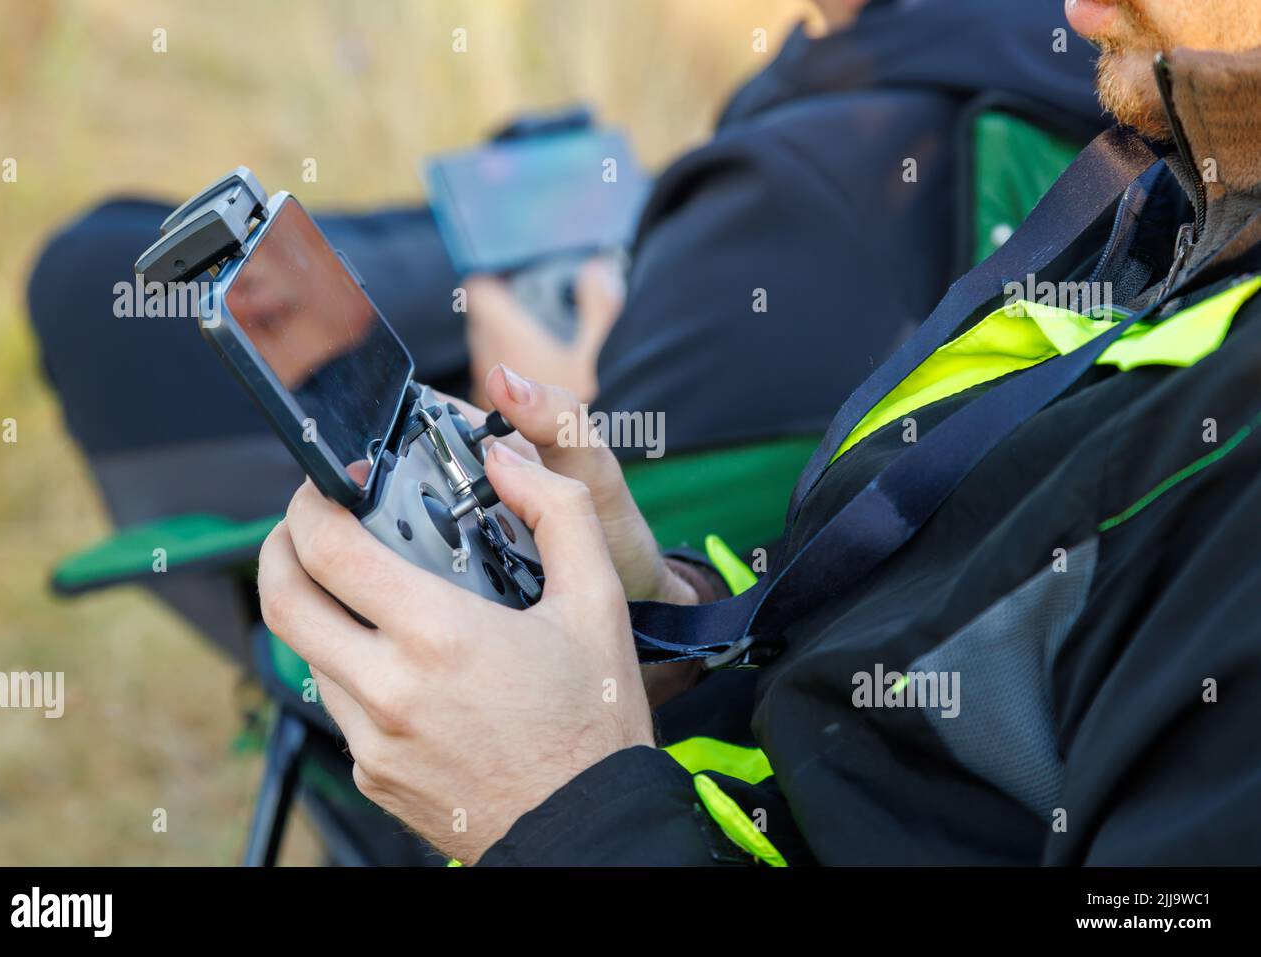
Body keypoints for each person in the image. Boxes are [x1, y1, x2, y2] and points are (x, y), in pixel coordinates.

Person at [258, 0, 1261, 865]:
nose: (1075, 10)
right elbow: (934, 645)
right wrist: (669, 621)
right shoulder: (1176, 185)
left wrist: (558, 810)